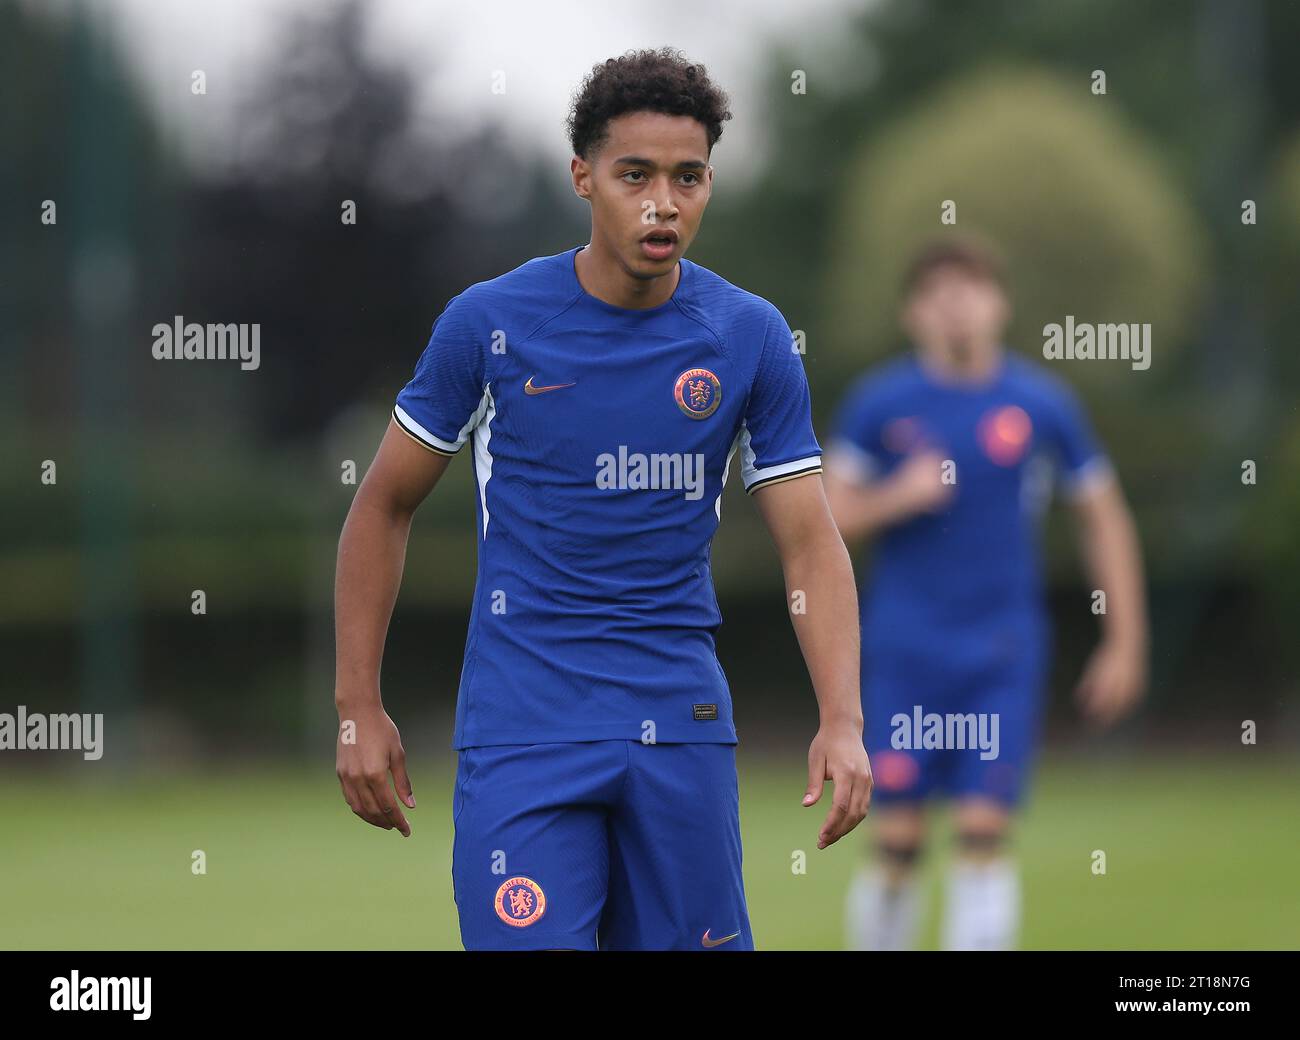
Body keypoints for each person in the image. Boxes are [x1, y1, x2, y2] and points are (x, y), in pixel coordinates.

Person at [333, 46, 871, 951]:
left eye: (689, 176)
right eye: (636, 175)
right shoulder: (489, 325)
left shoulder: (749, 337)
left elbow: (811, 544)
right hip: (524, 725)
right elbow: (381, 506)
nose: (664, 201)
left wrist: (845, 719)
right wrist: (358, 706)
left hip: (682, 722)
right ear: (584, 176)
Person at [824, 235, 1147, 950]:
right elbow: (823, 518)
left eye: (970, 290)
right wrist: (896, 497)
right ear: (913, 313)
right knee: (899, 840)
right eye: (938, 295)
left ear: (999, 303)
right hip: (905, 651)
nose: (956, 308)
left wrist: (1124, 641)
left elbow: (1104, 518)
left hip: (1001, 650)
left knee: (982, 831)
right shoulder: (881, 402)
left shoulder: (1042, 404)